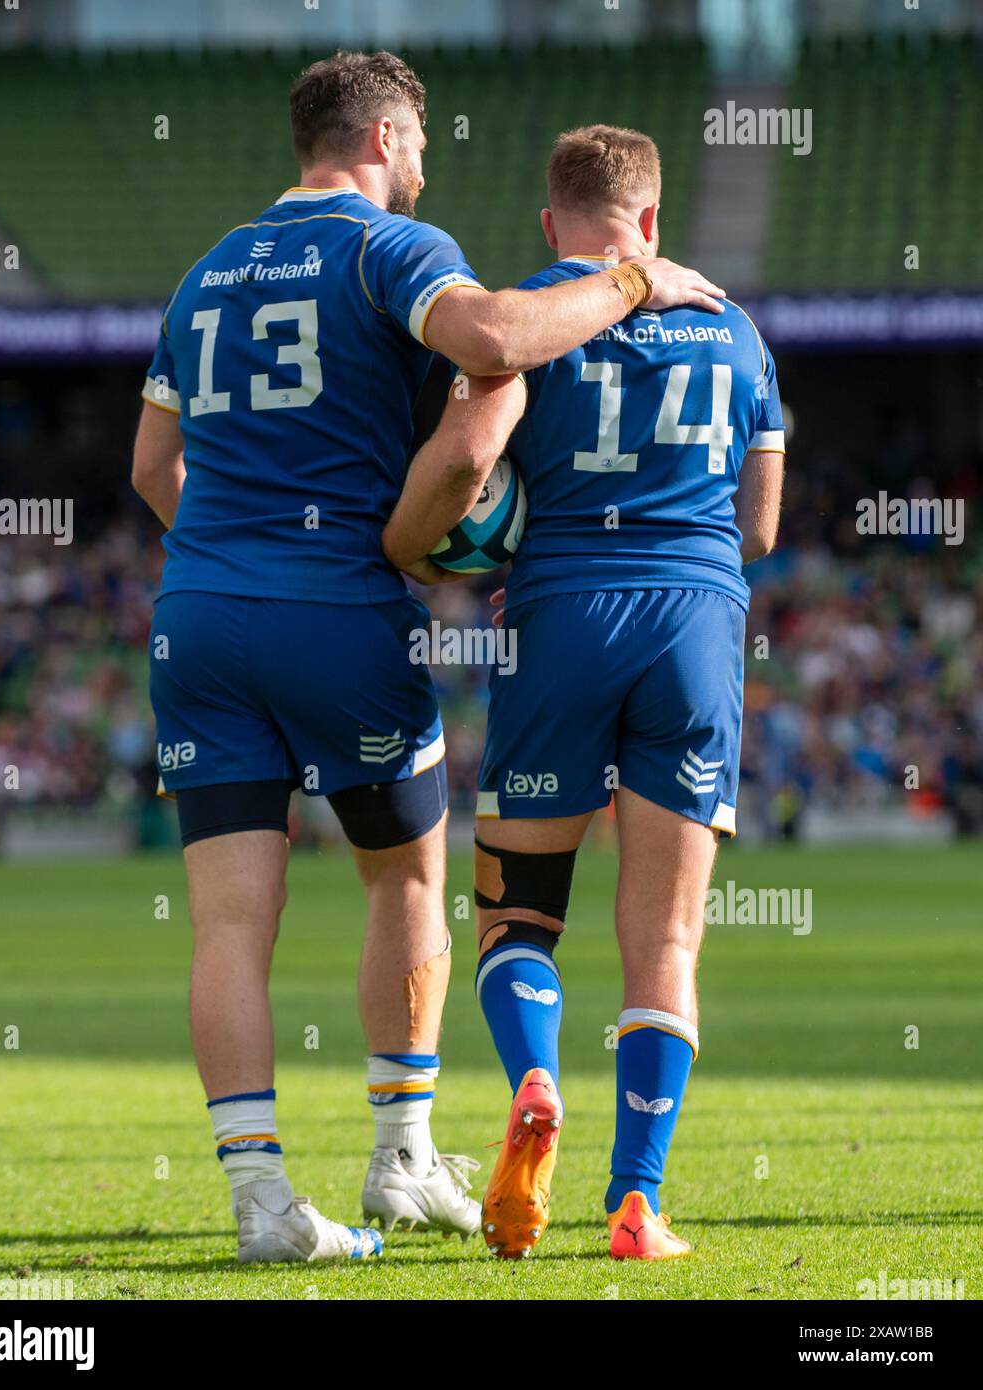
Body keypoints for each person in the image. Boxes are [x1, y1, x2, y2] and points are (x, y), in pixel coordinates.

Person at [131, 50, 727, 1265]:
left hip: (197, 612)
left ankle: (259, 1204)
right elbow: (500, 337)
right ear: (389, 135)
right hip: (339, 611)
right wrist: (630, 278)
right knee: (403, 882)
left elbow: (151, 472)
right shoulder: (387, 248)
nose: (425, 163)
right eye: (420, 143)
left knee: (227, 924)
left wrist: (234, 558)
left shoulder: (202, 277)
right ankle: (401, 1157)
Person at [383, 124, 784, 1260]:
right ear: (649, 220)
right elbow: (757, 525)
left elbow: (470, 461)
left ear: (552, 223)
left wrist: (447, 544)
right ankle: (635, 1204)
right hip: (695, 625)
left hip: (558, 617)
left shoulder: (531, 317)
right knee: (664, 941)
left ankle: (534, 1086)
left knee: (518, 919)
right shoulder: (736, 333)